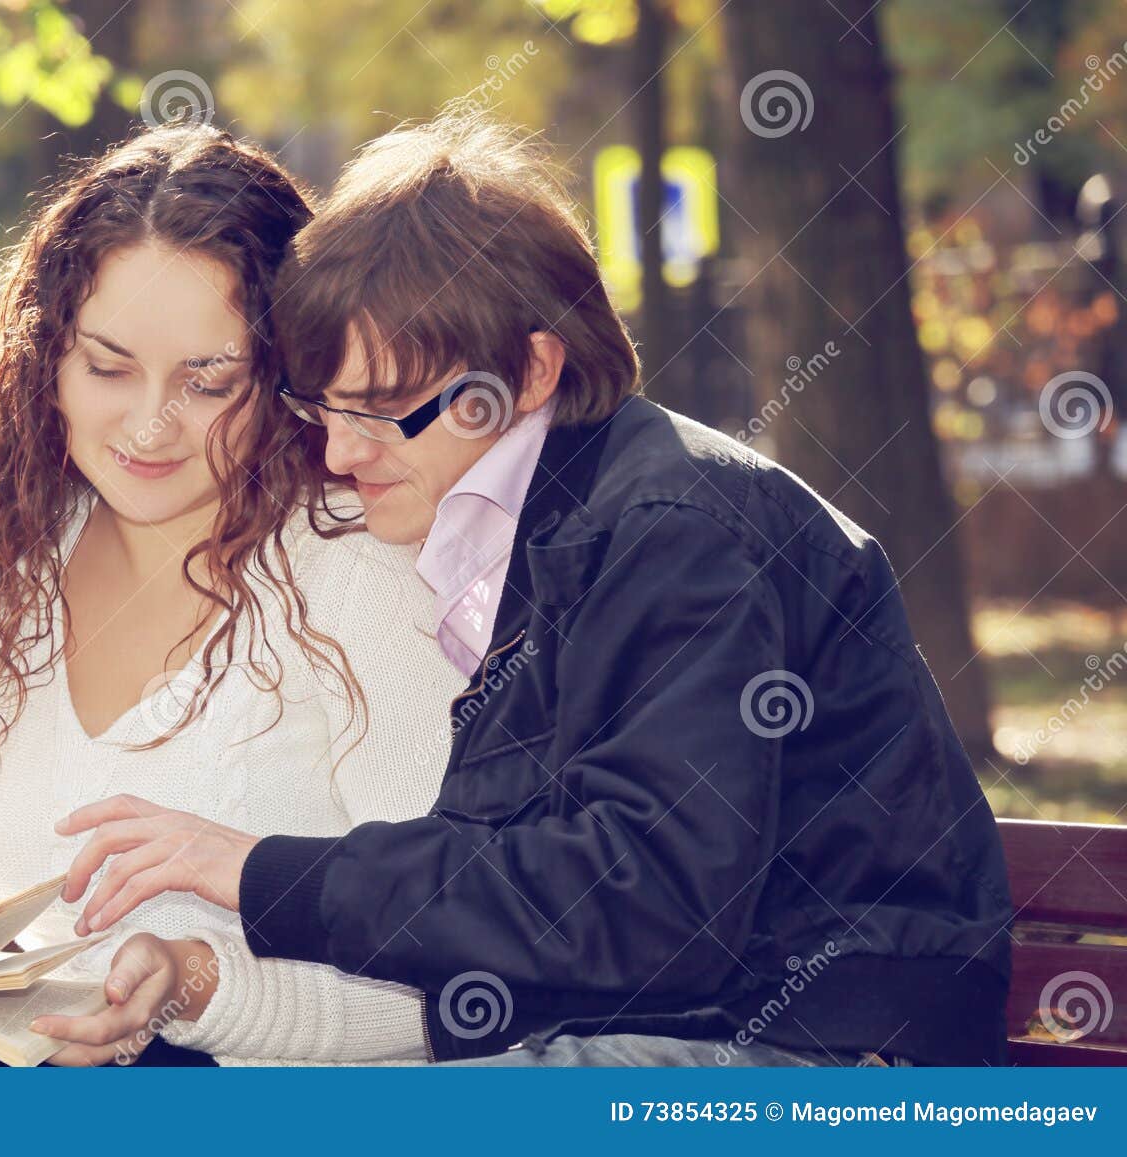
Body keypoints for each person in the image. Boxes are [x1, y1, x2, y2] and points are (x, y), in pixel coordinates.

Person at [57, 110, 1016, 1067]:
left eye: (384, 411)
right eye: (327, 409)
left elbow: (650, 903)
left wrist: (258, 871)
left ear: (530, 370)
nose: (341, 453)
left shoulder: (675, 535)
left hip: (829, 1056)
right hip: (677, 1034)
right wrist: (197, 974)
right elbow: (521, 902)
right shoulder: (533, 534)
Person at [0, 121, 465, 1067]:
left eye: (208, 381)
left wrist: (197, 984)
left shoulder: (359, 574)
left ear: (283, 375)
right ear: (46, 358)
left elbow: (448, 974)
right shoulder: (1, 566)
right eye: (108, 366)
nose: (150, 424)